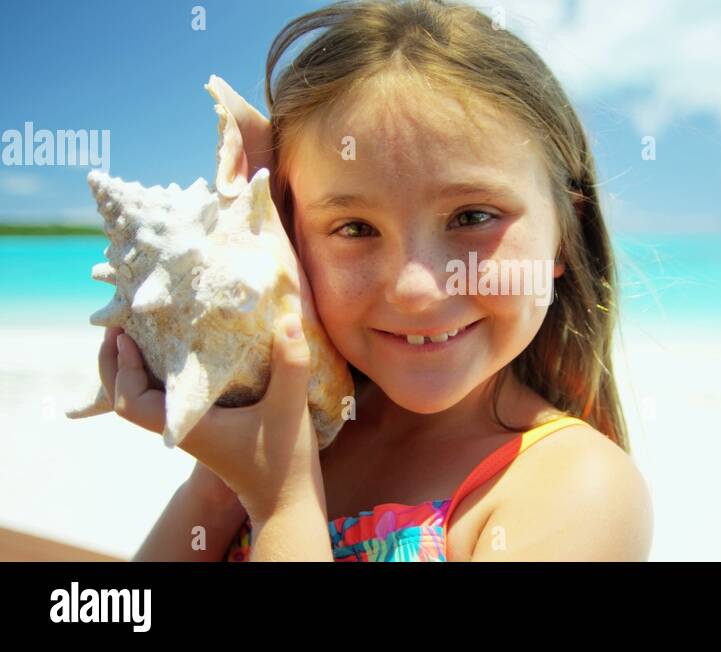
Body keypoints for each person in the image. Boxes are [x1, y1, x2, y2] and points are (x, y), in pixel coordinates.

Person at [103, 0, 653, 562]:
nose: (416, 288)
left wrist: (283, 506)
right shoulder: (295, 441)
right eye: (356, 227)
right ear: (289, 242)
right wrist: (220, 484)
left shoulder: (577, 487)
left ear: (563, 235)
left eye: (472, 217)